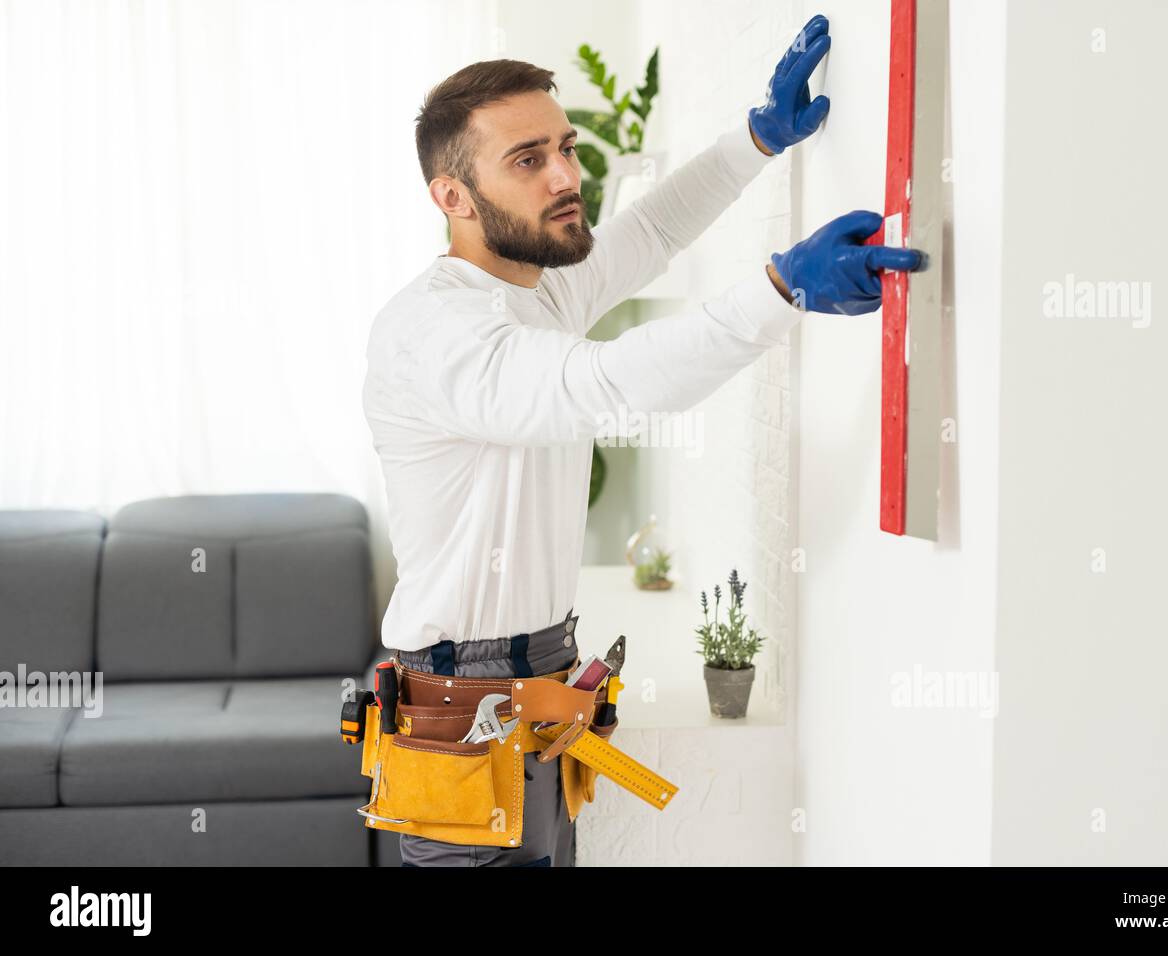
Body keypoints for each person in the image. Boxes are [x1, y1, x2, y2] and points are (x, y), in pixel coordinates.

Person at [361, 12, 922, 867]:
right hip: (462, 714)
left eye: (564, 146)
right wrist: (778, 291)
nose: (564, 175)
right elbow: (599, 385)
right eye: (527, 159)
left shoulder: (536, 285)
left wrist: (757, 139)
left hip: (538, 689)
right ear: (453, 197)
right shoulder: (433, 332)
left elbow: (651, 232)